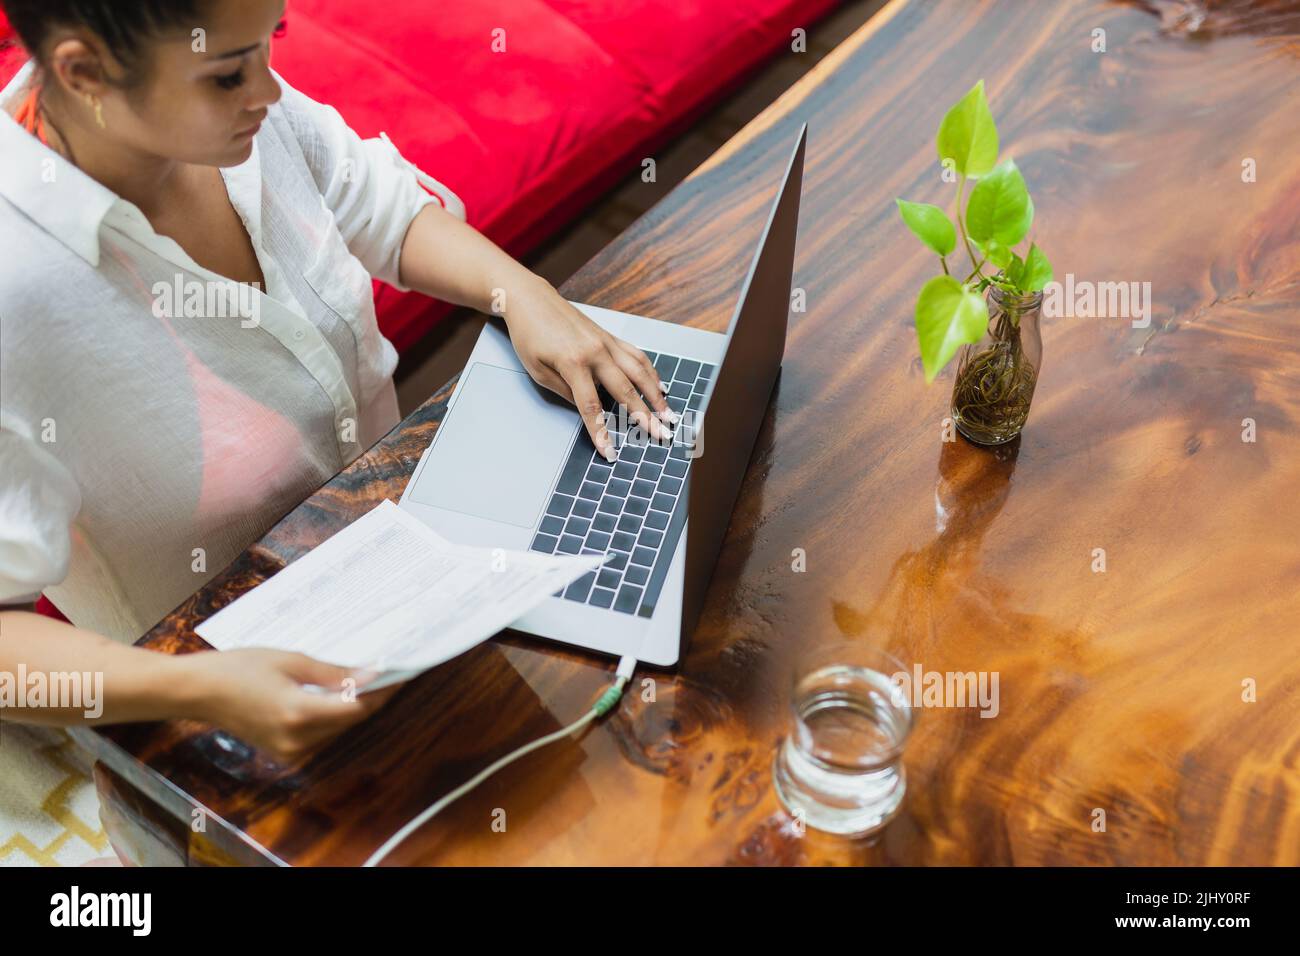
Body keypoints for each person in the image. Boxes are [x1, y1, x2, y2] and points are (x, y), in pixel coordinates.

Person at [0, 0, 675, 863]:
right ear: (84, 73)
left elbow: (383, 210)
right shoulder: (18, 297)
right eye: (227, 73)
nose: (268, 90)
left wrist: (527, 296)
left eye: (269, 45)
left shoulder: (242, 122)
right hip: (238, 725)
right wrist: (199, 686)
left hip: (414, 585)